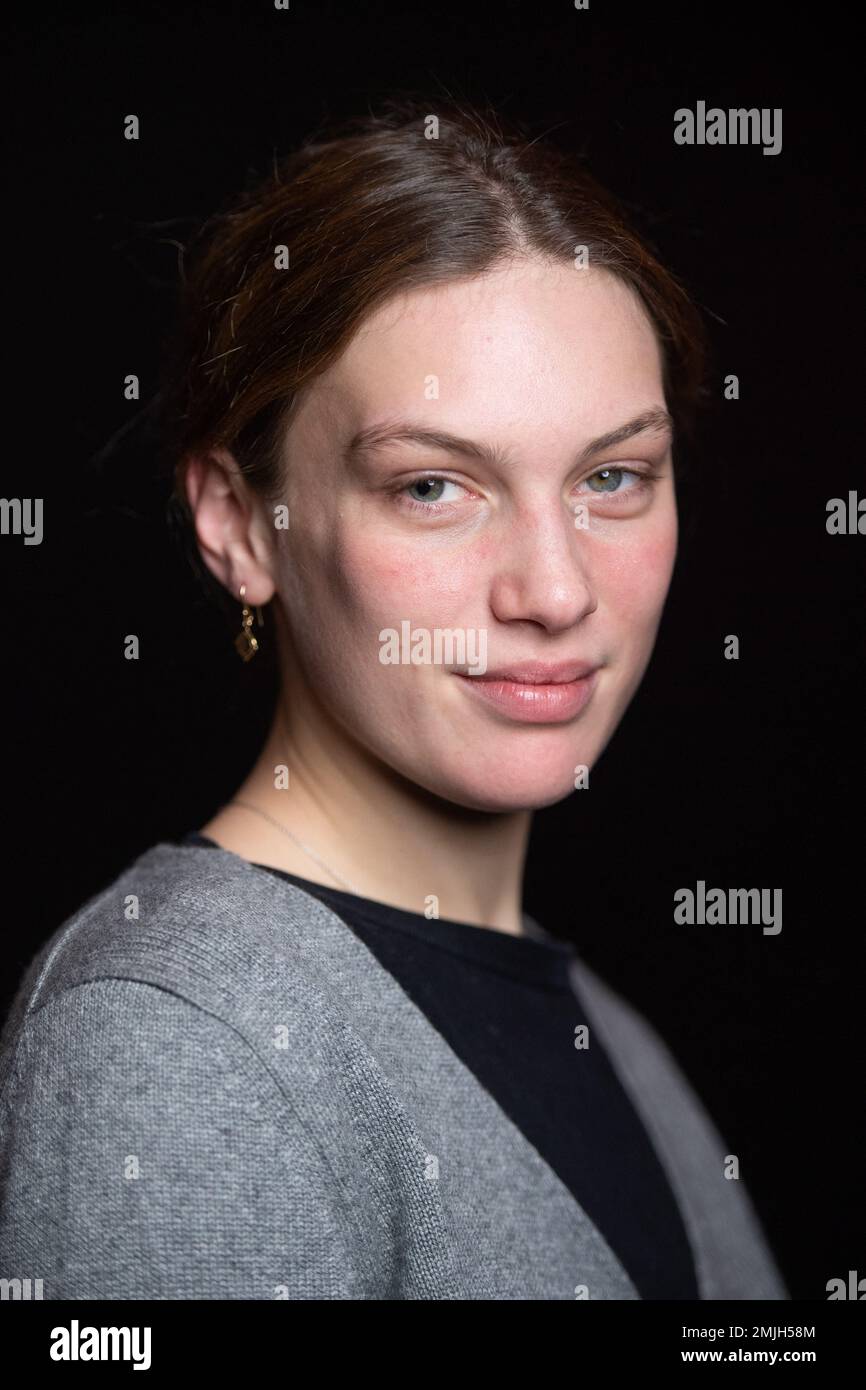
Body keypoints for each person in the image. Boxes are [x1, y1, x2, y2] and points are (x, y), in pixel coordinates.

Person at [0, 97, 788, 1300]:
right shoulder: (175, 1037)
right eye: (432, 485)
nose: (554, 587)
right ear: (236, 523)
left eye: (613, 475)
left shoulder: (614, 1042)